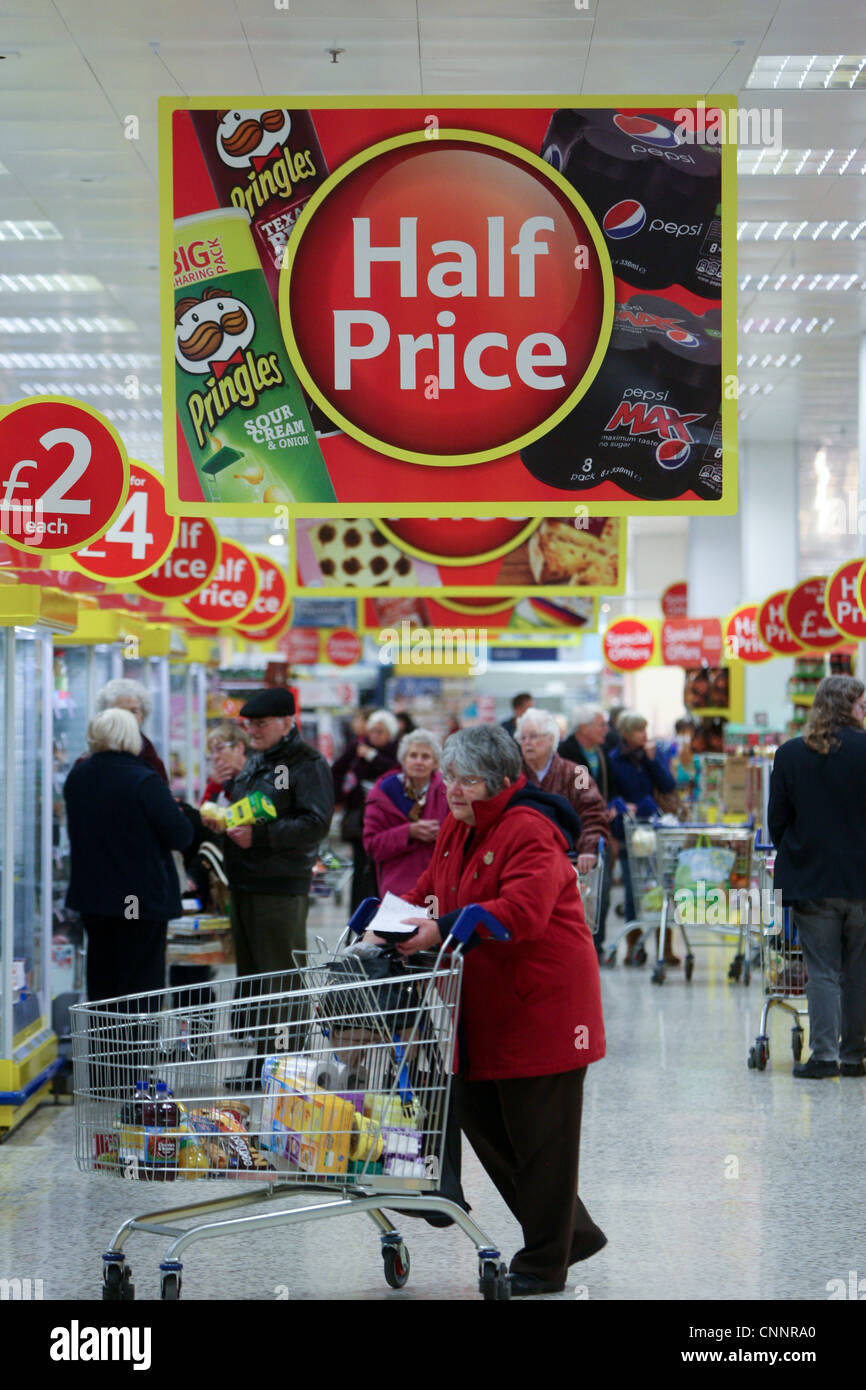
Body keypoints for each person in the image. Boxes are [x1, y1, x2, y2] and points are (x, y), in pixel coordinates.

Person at [394, 725, 606, 1296]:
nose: (455, 790)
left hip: (544, 1006)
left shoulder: (529, 831)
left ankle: (545, 1263)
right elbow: (430, 892)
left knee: (541, 1139)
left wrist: (440, 927)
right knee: (482, 1119)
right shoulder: (454, 830)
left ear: (503, 781)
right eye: (449, 778)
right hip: (483, 1004)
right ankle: (572, 1232)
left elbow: (523, 911)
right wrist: (390, 918)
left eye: (468, 780)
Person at [768, 675, 866, 1079]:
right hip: (862, 880)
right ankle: (854, 1056)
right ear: (848, 708)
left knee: (822, 970)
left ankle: (823, 1057)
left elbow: (778, 820)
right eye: (862, 706)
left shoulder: (791, 754)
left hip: (812, 879)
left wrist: (799, 851)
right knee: (858, 970)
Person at [63, 708, 193, 1001]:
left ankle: (102, 1045)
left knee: (101, 979)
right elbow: (180, 835)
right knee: (139, 982)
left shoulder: (78, 777)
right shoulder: (143, 781)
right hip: (136, 900)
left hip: (93, 899)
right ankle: (135, 1047)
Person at [222, 687, 335, 978]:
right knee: (250, 981)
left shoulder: (308, 763)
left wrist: (258, 837)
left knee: (277, 980)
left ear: (287, 722)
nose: (253, 731)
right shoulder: (258, 760)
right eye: (249, 724)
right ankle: (252, 1027)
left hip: (278, 886)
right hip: (245, 881)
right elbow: (254, 807)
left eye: (261, 724)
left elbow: (315, 823)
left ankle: (284, 1028)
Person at [609, 711, 677, 966]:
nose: (644, 736)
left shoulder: (653, 754)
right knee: (632, 891)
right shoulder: (613, 759)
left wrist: (652, 761)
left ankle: (665, 947)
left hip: (655, 828)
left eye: (645, 730)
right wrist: (621, 805)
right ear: (626, 734)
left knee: (662, 887)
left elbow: (668, 785)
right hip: (629, 831)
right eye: (639, 731)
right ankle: (633, 946)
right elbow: (609, 794)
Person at [516, 708, 610, 876]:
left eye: (533, 736)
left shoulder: (577, 772)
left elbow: (593, 812)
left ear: (551, 739)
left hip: (569, 864)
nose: (527, 743)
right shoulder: (513, 776)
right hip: (524, 864)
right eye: (523, 738)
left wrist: (589, 849)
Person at [362, 729, 449, 897]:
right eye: (413, 755)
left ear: (435, 763)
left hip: (438, 888)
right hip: (397, 888)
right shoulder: (383, 792)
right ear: (403, 759)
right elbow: (372, 845)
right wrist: (408, 832)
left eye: (425, 757)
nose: (419, 761)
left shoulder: (448, 791)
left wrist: (443, 834)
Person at [331, 708, 400, 912]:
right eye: (373, 731)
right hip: (358, 819)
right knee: (360, 869)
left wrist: (372, 756)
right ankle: (357, 916)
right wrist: (339, 798)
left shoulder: (395, 750)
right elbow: (337, 770)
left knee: (381, 872)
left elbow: (395, 772)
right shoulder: (357, 747)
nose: (375, 736)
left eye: (380, 732)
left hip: (387, 822)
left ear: (390, 733)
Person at [95, 678, 168, 782]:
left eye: (134, 711)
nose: (128, 717)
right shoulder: (89, 761)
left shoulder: (153, 762)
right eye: (120, 711)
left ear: (143, 715)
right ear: (107, 715)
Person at [202, 721, 249, 806]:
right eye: (212, 751)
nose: (215, 757)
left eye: (220, 748)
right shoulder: (220, 781)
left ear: (239, 747)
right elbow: (205, 814)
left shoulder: (257, 775)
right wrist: (214, 786)